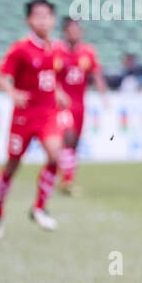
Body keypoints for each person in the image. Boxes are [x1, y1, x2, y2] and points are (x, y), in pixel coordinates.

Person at [0, 0, 69, 237]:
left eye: (47, 16)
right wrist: (12, 92)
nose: (43, 21)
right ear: (29, 20)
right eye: (37, 16)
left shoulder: (57, 48)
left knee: (55, 155)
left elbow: (49, 78)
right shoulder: (20, 48)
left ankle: (39, 208)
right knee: (12, 166)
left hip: (48, 115)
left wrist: (59, 92)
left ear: (53, 19)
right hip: (23, 118)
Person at [54, 17, 108, 194]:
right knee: (68, 138)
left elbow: (97, 75)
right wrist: (58, 92)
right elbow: (50, 75)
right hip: (62, 105)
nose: (74, 32)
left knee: (74, 143)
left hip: (80, 105)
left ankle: (66, 178)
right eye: (71, 29)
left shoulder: (88, 52)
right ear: (65, 32)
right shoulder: (57, 51)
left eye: (77, 29)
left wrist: (104, 97)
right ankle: (66, 181)